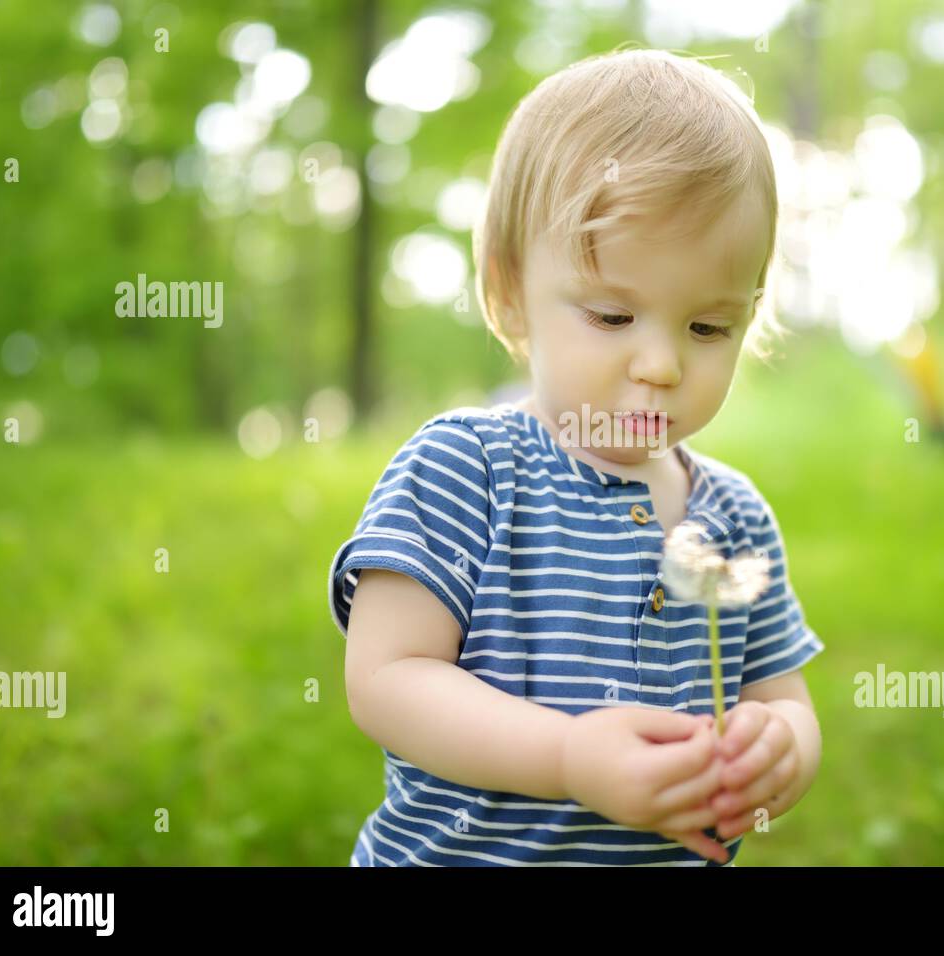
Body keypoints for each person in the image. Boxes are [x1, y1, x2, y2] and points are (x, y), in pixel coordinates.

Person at [329, 48, 824, 866]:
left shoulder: (734, 518)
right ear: (510, 289)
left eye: (708, 328)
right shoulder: (467, 469)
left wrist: (783, 749)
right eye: (610, 316)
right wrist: (567, 757)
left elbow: (784, 699)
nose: (661, 365)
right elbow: (386, 680)